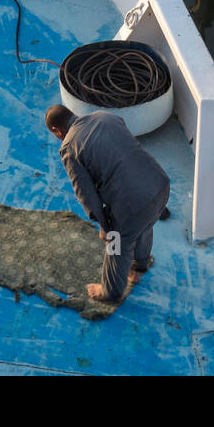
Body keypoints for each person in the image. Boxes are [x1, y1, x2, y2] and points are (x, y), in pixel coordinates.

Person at [45, 104, 170, 305]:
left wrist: (105, 226)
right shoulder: (104, 117)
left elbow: (86, 194)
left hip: (134, 204)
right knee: (144, 223)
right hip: (160, 184)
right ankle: (140, 265)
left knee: (116, 242)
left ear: (56, 131)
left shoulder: (69, 147)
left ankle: (110, 292)